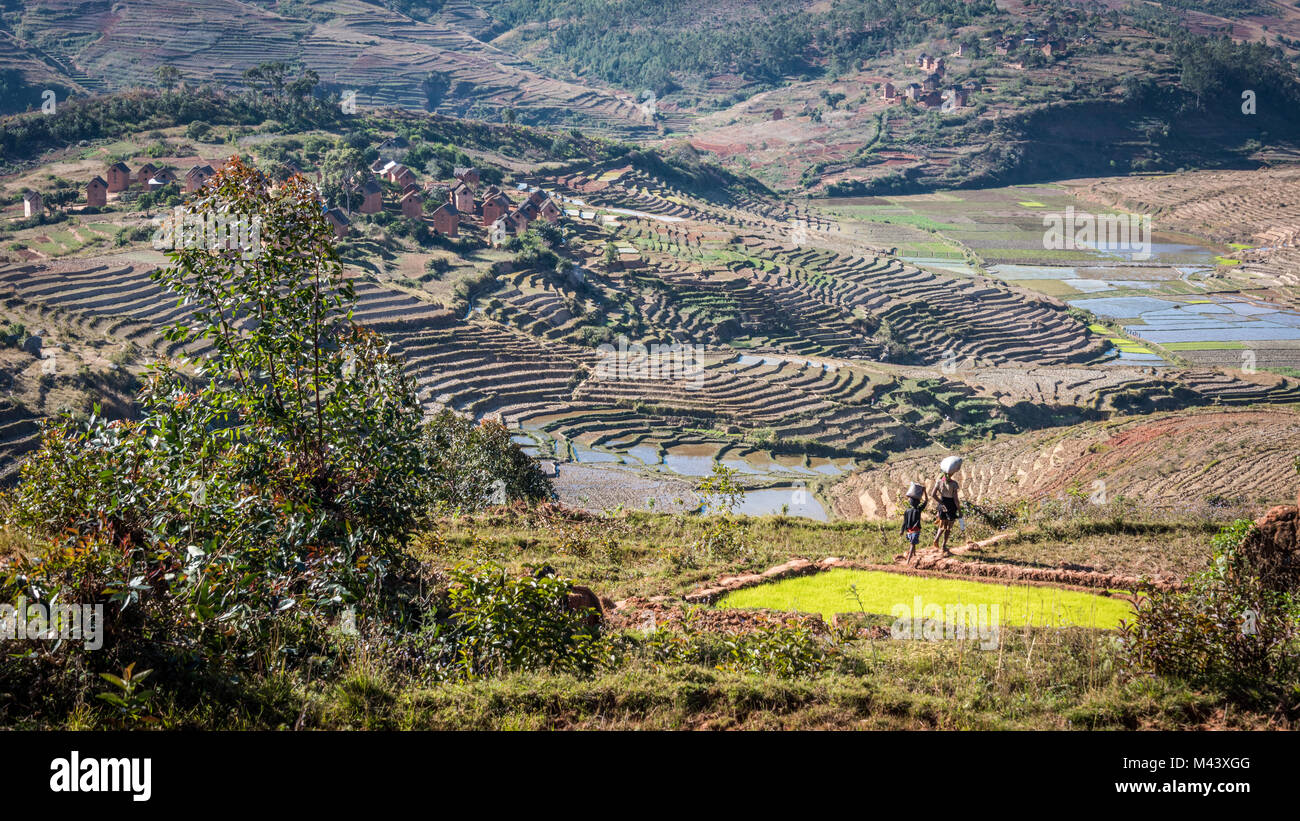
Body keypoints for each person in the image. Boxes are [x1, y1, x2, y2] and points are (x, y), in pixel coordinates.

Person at [930, 465, 961, 556]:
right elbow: (955, 499)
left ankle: (936, 539)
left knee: (942, 524)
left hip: (942, 504)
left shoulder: (939, 482)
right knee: (949, 527)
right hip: (951, 506)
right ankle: (943, 546)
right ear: (951, 474)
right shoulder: (954, 484)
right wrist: (959, 510)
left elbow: (933, 494)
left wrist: (941, 503)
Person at [901, 489, 927, 566]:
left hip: (909, 531)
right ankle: (908, 560)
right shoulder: (918, 510)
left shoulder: (907, 511)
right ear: (918, 503)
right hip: (915, 530)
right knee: (912, 544)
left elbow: (904, 522)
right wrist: (925, 491)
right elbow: (926, 501)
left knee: (912, 543)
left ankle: (914, 555)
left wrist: (902, 530)